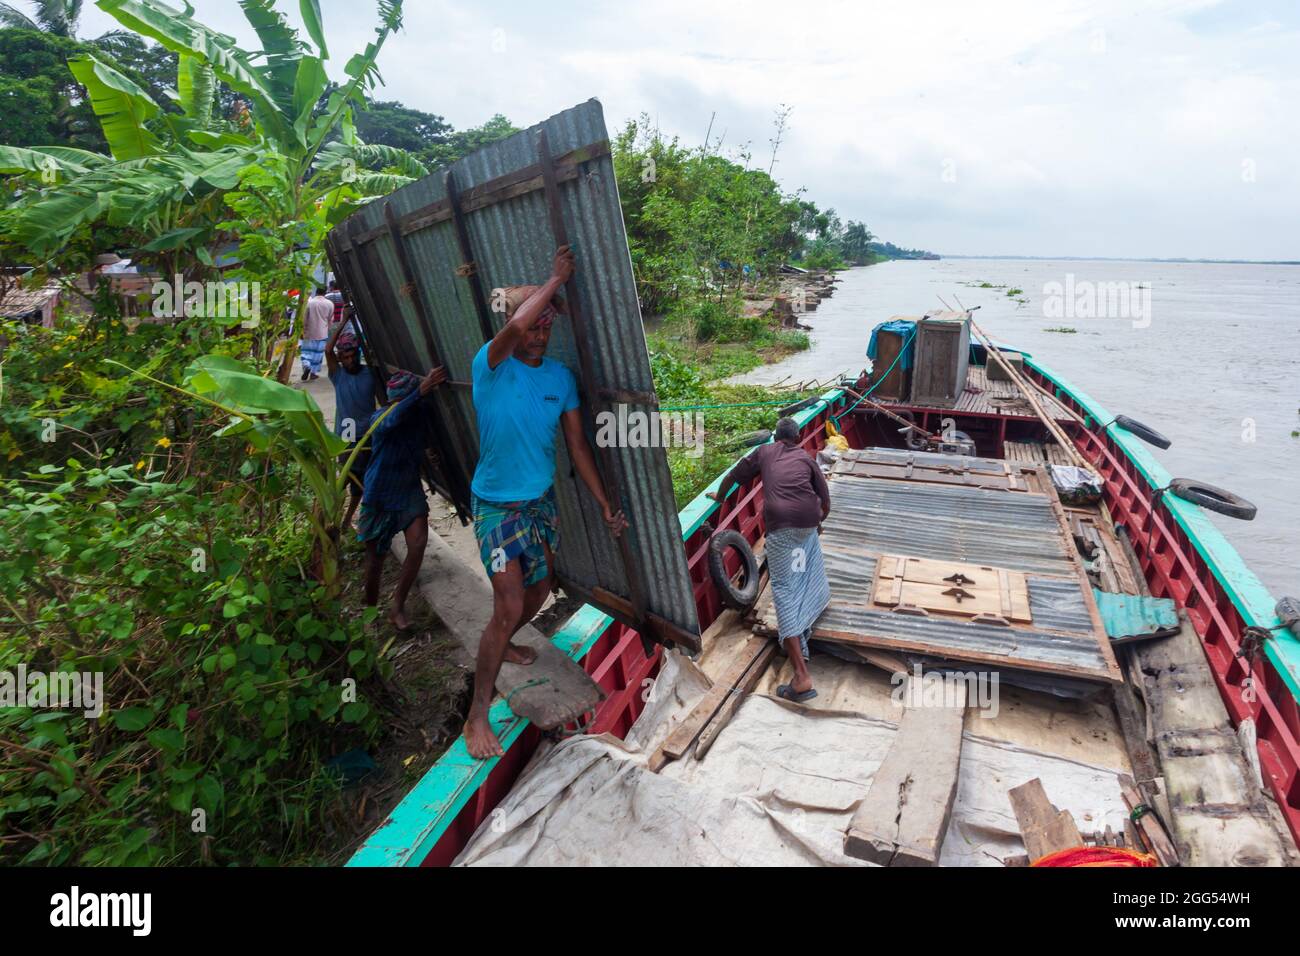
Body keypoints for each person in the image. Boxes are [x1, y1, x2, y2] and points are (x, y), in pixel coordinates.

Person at [463, 245, 627, 759]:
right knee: (509, 602)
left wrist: (602, 502)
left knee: (541, 588)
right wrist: (554, 281)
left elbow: (578, 447)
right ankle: (476, 713)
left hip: (539, 503)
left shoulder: (560, 379)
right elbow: (512, 330)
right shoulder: (491, 365)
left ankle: (506, 637)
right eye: (532, 324)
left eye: (545, 326)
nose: (539, 332)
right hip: (495, 506)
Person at [709, 416, 831, 702]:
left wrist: (719, 497)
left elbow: (734, 475)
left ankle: (801, 677)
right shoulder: (806, 458)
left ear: (776, 438)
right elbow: (825, 502)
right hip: (806, 525)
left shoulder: (764, 452)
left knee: (784, 590)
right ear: (799, 439)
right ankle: (804, 624)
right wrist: (817, 523)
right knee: (802, 571)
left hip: (782, 530)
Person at [358, 366, 446, 630]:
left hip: (408, 490)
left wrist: (428, 455)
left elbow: (420, 443)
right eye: (395, 402)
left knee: (418, 543)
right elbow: (393, 418)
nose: (399, 405)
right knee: (375, 560)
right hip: (380, 495)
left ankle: (397, 605)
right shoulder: (381, 417)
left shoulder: (418, 417)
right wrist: (418, 391)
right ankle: (370, 610)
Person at [325, 324, 378, 529]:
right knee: (344, 478)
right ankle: (334, 520)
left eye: (352, 356)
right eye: (345, 358)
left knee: (362, 485)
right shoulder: (338, 376)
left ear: (358, 354)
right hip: (345, 436)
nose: (349, 360)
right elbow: (328, 350)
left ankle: (348, 522)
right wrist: (345, 319)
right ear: (340, 359)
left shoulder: (370, 374)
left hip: (366, 437)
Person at [300, 287, 334, 381]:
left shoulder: (309, 303)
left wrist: (303, 330)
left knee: (306, 352)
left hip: (309, 332)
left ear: (316, 292)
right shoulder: (329, 304)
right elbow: (330, 319)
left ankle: (306, 365)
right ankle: (313, 373)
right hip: (322, 332)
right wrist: (328, 329)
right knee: (317, 354)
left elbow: (304, 318)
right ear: (325, 292)